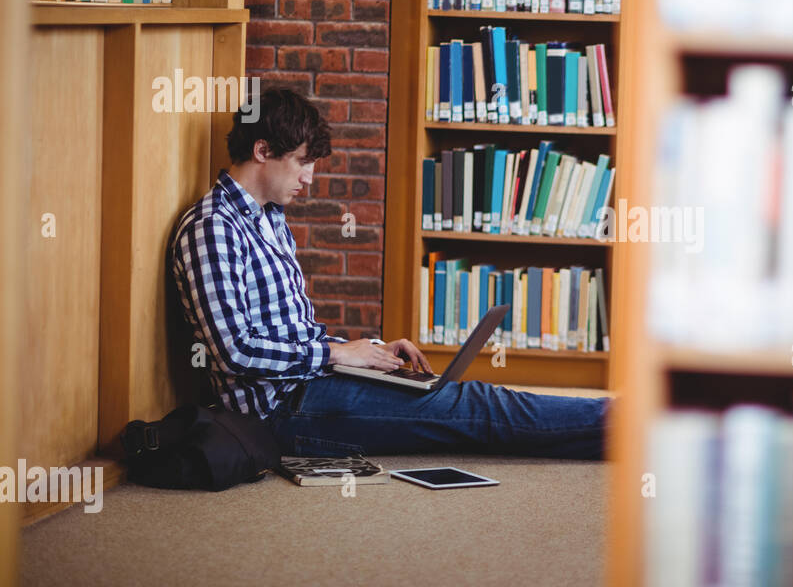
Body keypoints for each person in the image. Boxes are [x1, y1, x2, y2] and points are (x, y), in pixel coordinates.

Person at [168, 88, 608, 461]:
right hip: (281, 412)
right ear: (262, 151)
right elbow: (234, 352)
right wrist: (338, 355)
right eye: (302, 162)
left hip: (311, 383)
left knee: (458, 397)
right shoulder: (213, 228)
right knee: (474, 407)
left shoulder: (268, 216)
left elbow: (289, 334)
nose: (309, 178)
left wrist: (368, 352)